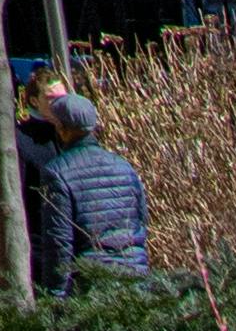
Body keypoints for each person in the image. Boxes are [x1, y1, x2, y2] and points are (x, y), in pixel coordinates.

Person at [21, 82, 152, 293]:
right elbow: (142, 222)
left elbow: (59, 244)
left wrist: (54, 299)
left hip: (91, 286)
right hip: (135, 278)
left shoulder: (57, 172)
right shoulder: (124, 166)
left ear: (61, 129)